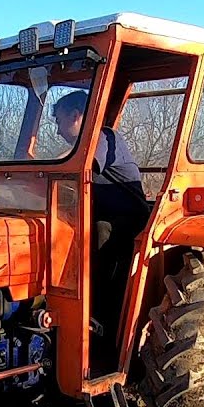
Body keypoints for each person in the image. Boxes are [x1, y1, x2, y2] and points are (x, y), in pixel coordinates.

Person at [52, 90, 152, 342]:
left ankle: (100, 325)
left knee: (99, 232)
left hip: (128, 220)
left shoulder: (104, 137)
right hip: (103, 215)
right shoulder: (84, 146)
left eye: (58, 121)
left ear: (76, 116)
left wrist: (40, 168)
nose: (56, 131)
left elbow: (79, 166)